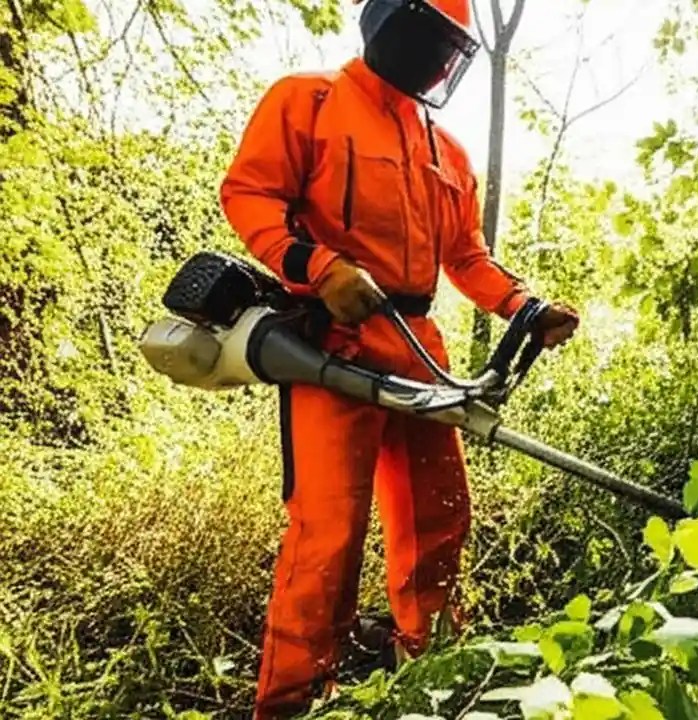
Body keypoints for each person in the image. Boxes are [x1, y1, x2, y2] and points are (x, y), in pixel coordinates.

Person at [218, 0, 580, 716]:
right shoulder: (309, 102)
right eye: (437, 44)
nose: (443, 64)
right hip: (332, 343)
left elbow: (466, 258)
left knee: (438, 513)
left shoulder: (447, 152)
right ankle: (294, 700)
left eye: (453, 51)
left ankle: (430, 668)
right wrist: (318, 265)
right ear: (394, 25)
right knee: (329, 534)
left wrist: (525, 307)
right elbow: (249, 193)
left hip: (419, 348)